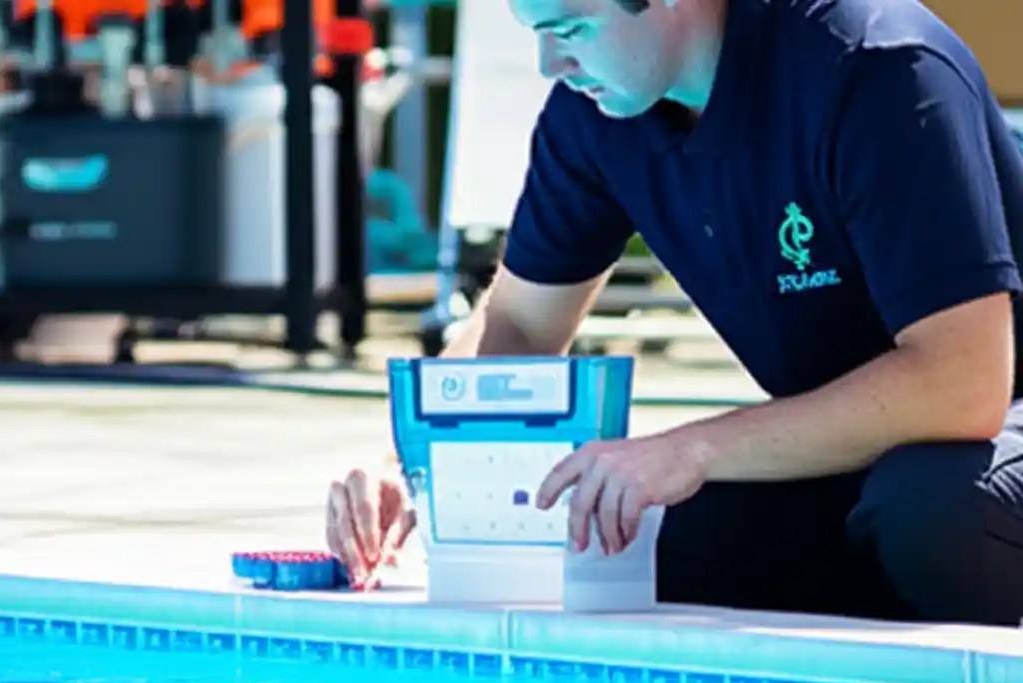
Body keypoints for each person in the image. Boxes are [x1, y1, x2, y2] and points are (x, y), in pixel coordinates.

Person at [325, 0, 1023, 627]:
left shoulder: (876, 68)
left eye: (568, 29)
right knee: (625, 536)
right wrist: (414, 460)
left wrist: (692, 449)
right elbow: (522, 324)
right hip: (864, 453)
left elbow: (963, 383)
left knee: (930, 519)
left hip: (984, 433)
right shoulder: (597, 110)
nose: (551, 63)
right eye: (535, 35)